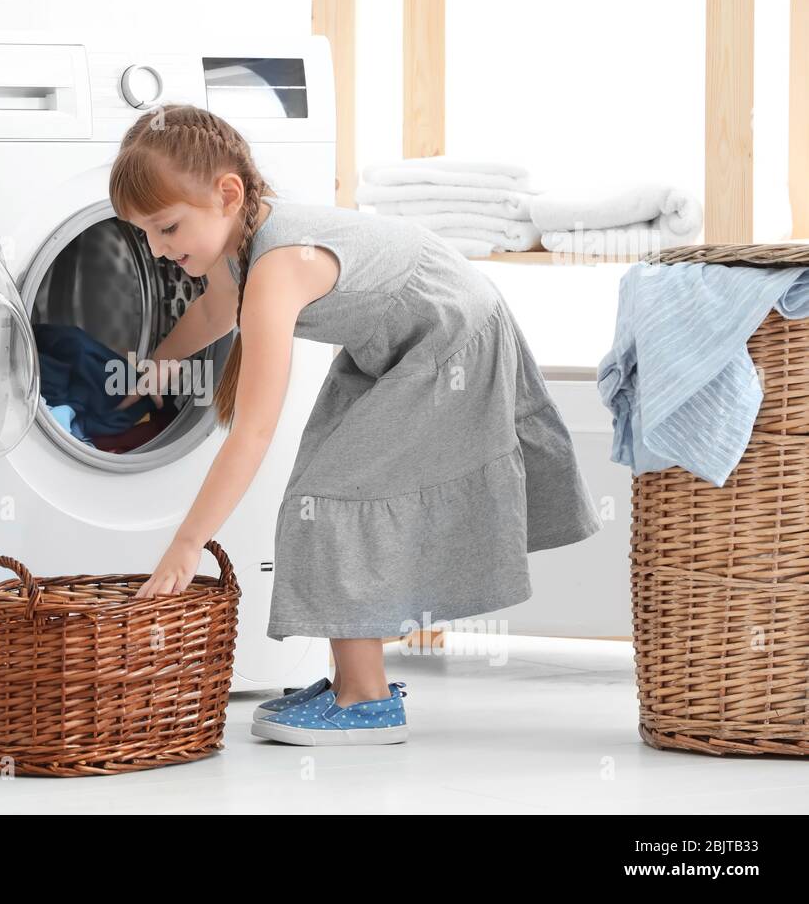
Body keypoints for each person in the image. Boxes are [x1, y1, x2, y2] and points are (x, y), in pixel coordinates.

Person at [107, 104, 603, 746]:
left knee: (328, 499)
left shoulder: (278, 265)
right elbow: (211, 314)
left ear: (227, 194)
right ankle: (352, 679)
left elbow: (254, 430)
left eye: (167, 227)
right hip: (394, 348)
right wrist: (156, 367)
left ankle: (366, 700)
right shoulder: (244, 245)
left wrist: (187, 542)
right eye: (145, 235)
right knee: (327, 489)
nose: (159, 249)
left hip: (449, 341)